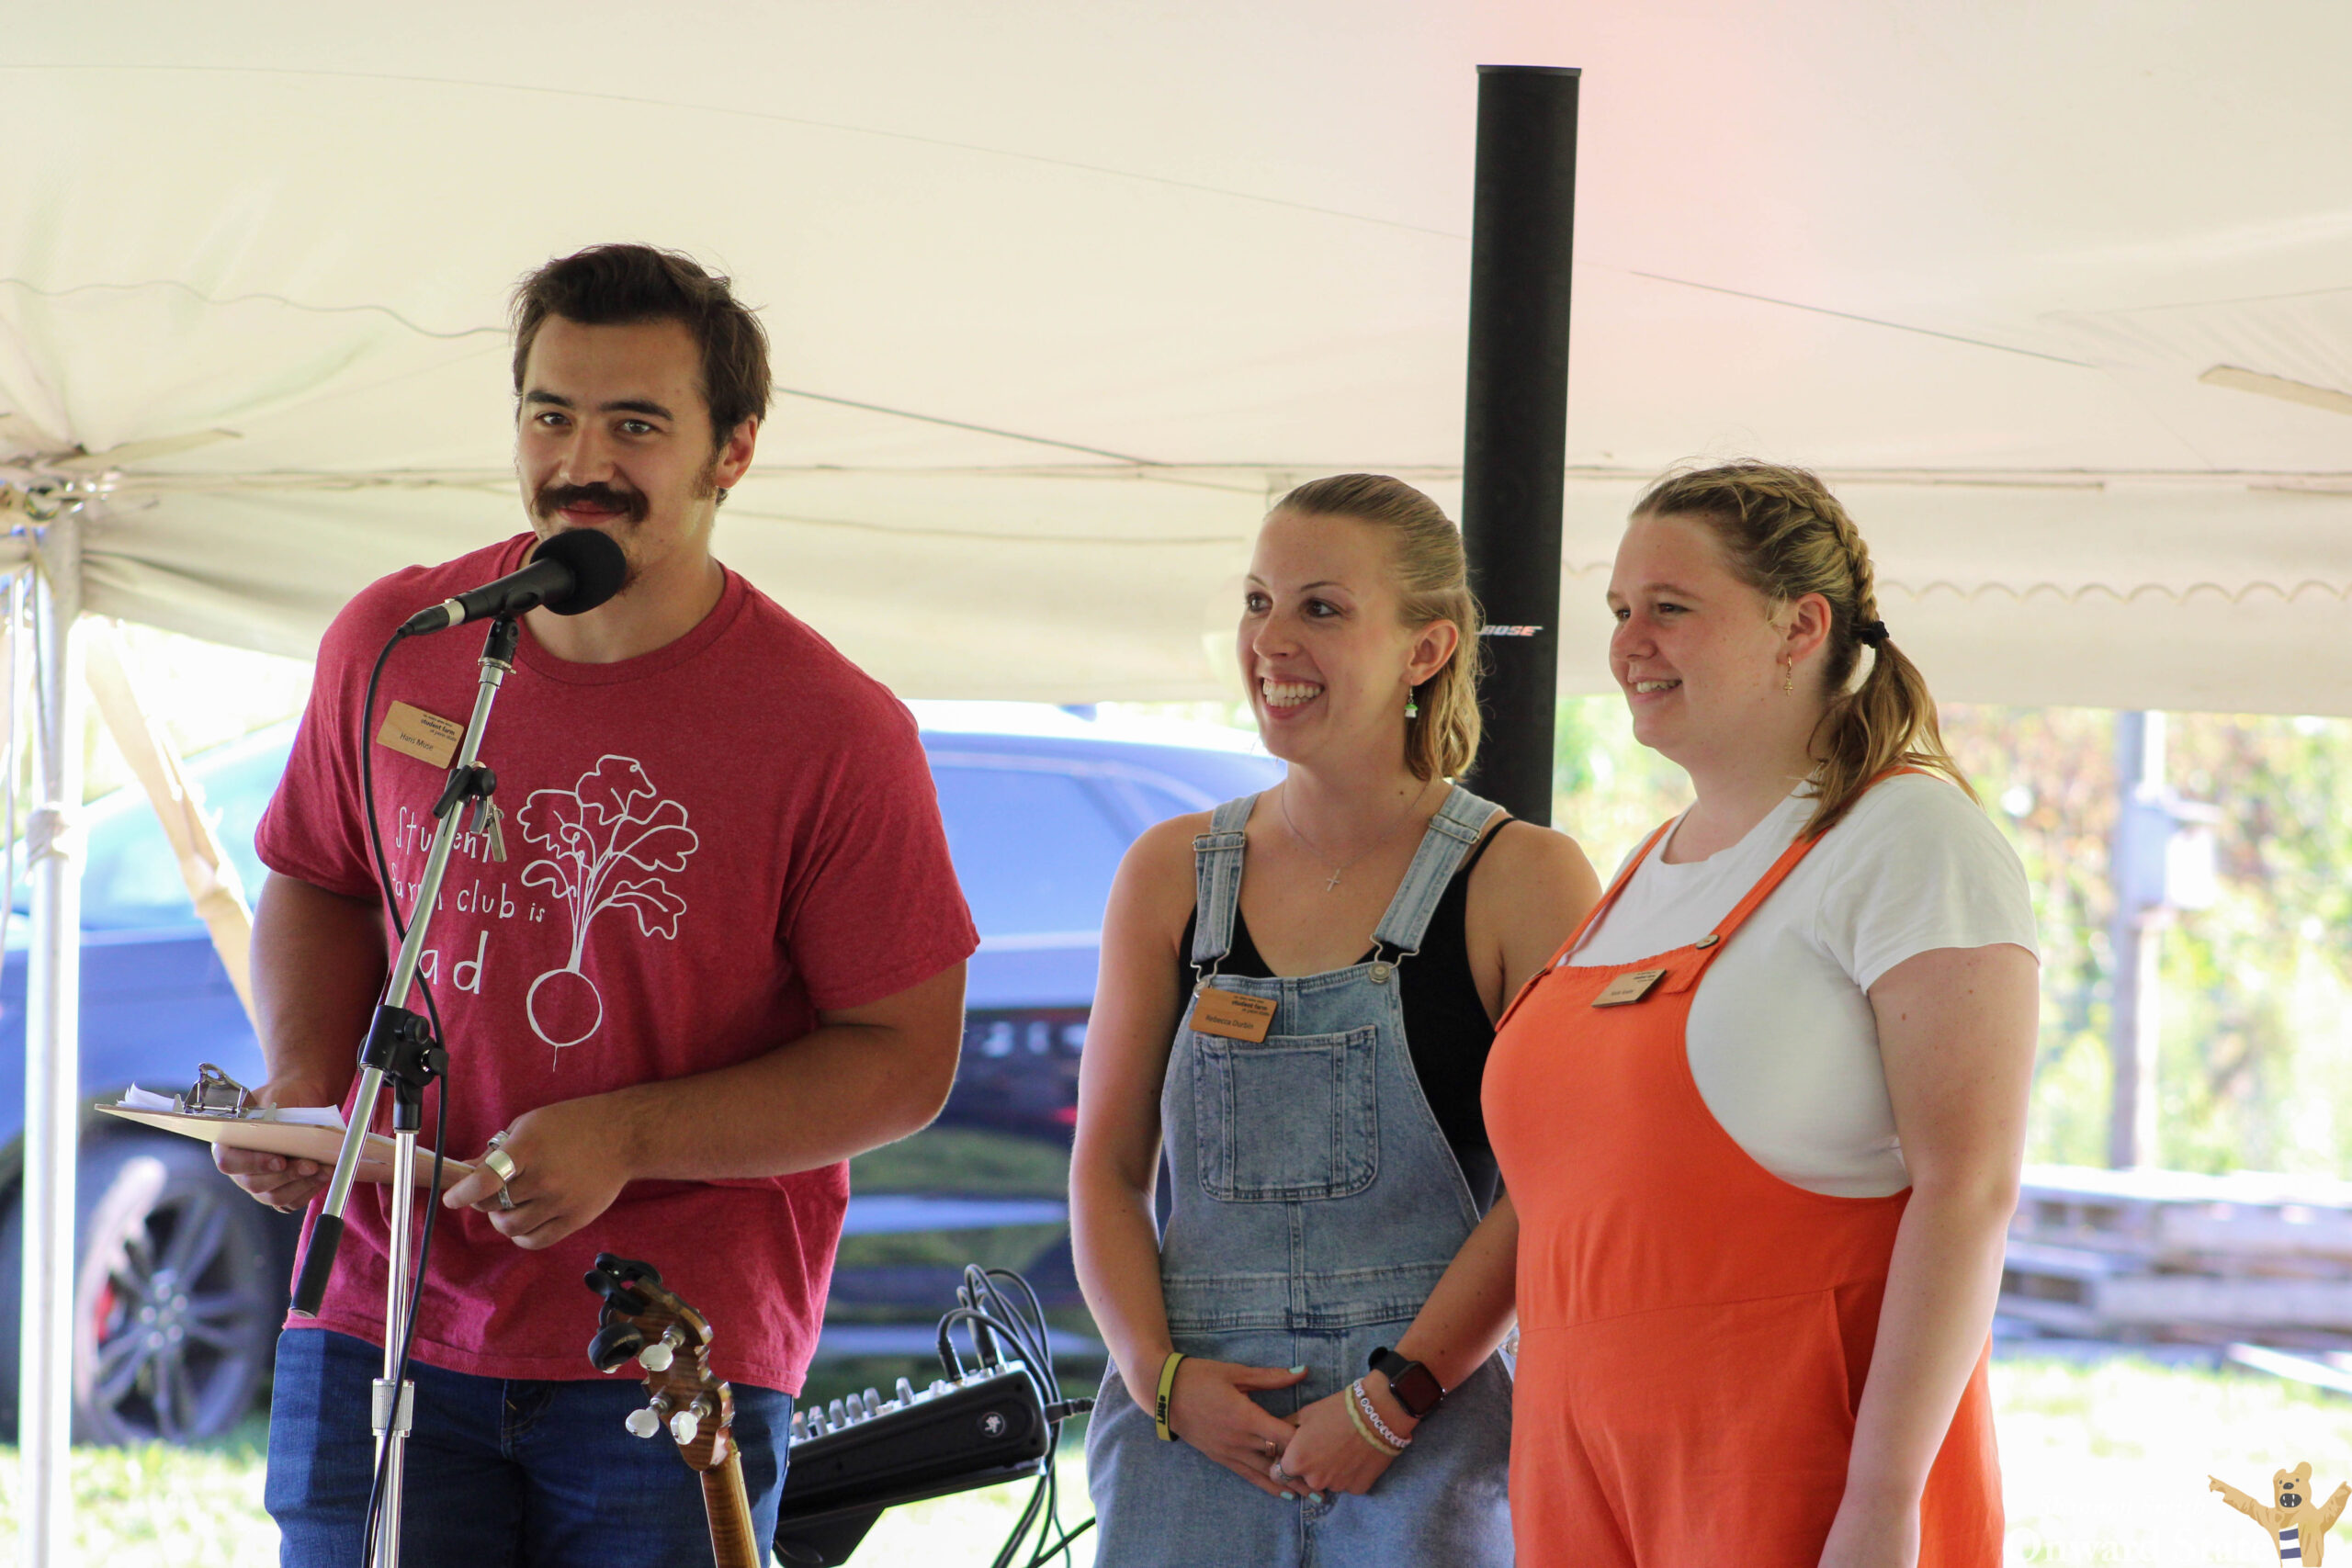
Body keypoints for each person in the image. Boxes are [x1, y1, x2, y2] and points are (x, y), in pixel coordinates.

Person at [218, 243, 977, 1566]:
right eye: (551, 413)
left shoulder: (834, 728)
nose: (583, 458)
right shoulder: (401, 636)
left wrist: (628, 1132)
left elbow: (904, 1058)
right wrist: (304, 1090)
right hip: (379, 1307)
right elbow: (323, 875)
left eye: (636, 423)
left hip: (667, 1341)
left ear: (732, 451)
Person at [1484, 461, 2040, 1567]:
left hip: (1791, 1477)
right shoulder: (1650, 864)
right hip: (1580, 1476)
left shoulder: (1908, 840)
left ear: (1801, 628)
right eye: (1619, 611)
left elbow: (1968, 1190)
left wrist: (1885, 1501)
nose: (1629, 642)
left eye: (1671, 609)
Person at [1072, 473, 1602, 1564]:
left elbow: (1558, 1182)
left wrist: (1395, 1400)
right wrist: (1158, 1378)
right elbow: (1106, 1172)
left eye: (1320, 607)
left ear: (1425, 650)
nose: (1271, 639)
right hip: (1190, 1434)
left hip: (1426, 1427)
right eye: (1258, 601)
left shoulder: (1523, 877)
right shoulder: (1170, 873)